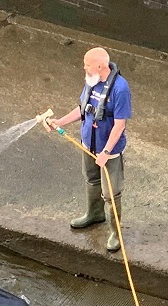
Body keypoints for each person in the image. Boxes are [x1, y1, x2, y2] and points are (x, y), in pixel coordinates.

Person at [47, 47, 132, 252]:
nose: (84, 68)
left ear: (100, 66)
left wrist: (105, 152)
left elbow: (120, 125)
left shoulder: (120, 89)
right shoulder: (91, 81)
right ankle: (94, 214)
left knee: (111, 192)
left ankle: (115, 232)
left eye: (87, 64)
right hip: (89, 144)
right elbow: (83, 108)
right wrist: (61, 122)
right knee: (91, 180)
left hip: (108, 151)